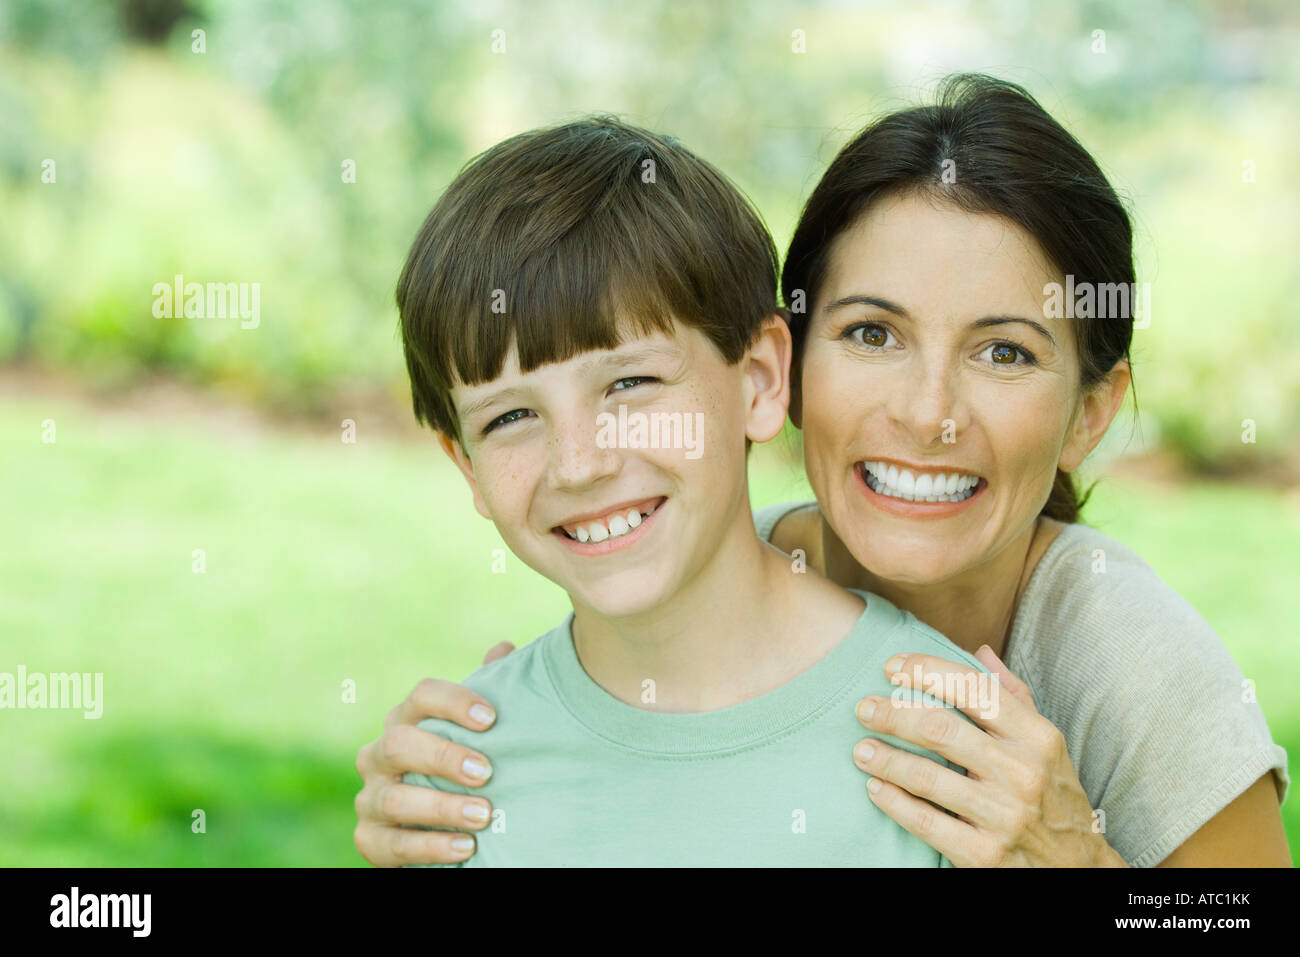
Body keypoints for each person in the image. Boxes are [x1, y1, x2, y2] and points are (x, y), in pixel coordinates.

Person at [357, 76, 1290, 867]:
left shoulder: (1130, 657)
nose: (928, 413)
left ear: (1089, 412)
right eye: (872, 333)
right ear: (788, 366)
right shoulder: (692, 560)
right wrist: (475, 750)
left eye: (1004, 352)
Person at [389, 115, 1002, 865]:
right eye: (512, 416)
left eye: (630, 383)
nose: (578, 465)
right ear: (466, 466)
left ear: (760, 381)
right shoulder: (454, 778)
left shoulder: (952, 746)